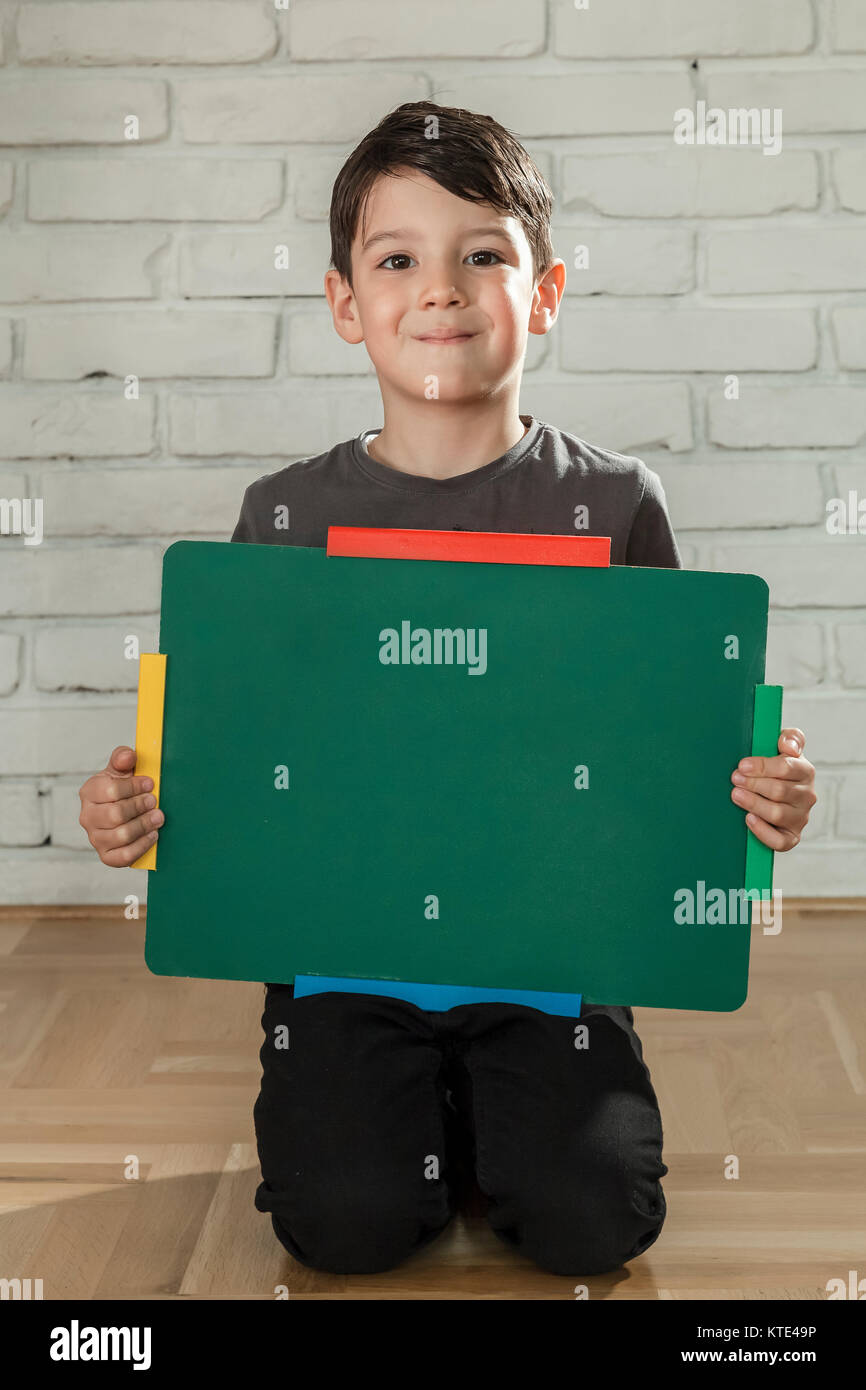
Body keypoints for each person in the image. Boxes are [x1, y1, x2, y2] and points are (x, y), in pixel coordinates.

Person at [78, 100, 818, 1277]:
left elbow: (672, 755)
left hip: (549, 962)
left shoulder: (616, 505)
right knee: (345, 1225)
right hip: (341, 961)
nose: (441, 289)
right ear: (343, 304)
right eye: (397, 260)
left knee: (593, 1223)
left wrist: (759, 796)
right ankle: (413, 1104)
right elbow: (226, 766)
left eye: (482, 255)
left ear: (544, 293)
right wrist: (137, 809)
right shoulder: (282, 518)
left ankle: (496, 1103)